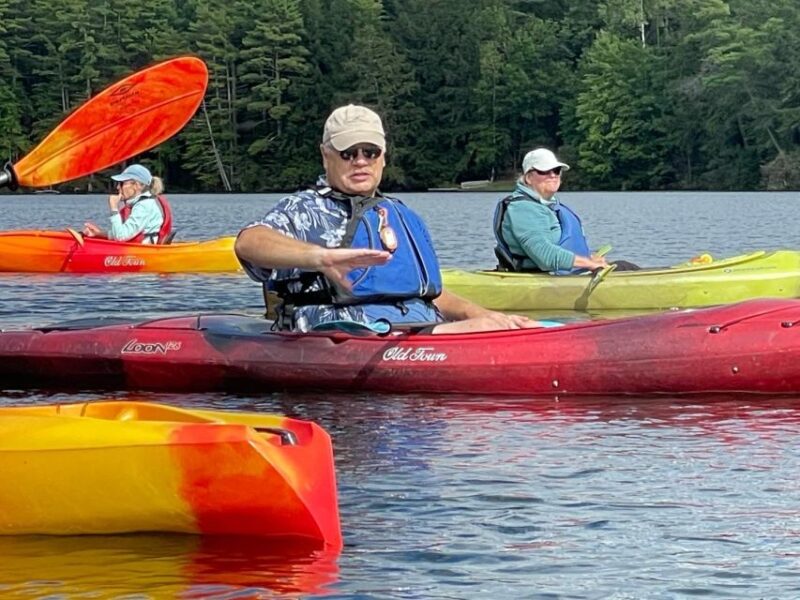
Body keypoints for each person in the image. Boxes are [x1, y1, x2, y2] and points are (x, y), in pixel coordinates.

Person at [235, 104, 540, 334]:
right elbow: (249, 242)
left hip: (417, 328)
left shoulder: (397, 213)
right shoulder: (305, 209)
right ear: (325, 154)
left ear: (383, 155)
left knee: (496, 326)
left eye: (370, 152)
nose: (360, 161)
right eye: (348, 152)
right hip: (343, 333)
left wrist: (482, 315)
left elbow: (427, 293)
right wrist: (321, 257)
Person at [494, 148, 638, 274]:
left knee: (624, 266)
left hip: (564, 276)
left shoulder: (545, 205)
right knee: (624, 268)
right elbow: (545, 257)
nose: (553, 175)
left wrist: (589, 259)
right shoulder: (523, 209)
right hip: (545, 281)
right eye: (544, 171)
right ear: (529, 178)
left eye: (556, 170)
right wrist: (589, 264)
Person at [82, 164, 173, 244]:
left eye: (121, 183)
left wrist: (114, 208)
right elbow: (123, 233)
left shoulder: (144, 206)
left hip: (142, 253)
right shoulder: (142, 203)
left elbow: (120, 237)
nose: (118, 187)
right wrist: (99, 234)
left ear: (136, 185)